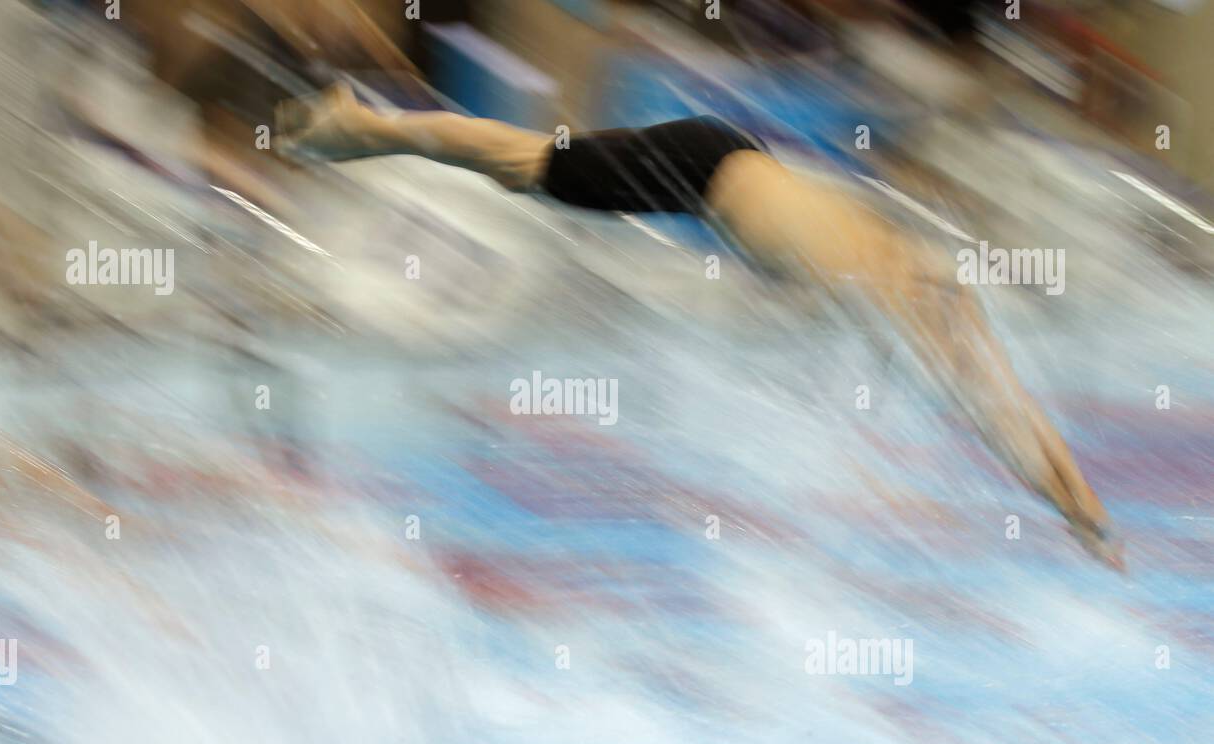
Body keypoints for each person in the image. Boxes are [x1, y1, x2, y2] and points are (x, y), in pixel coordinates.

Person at [276, 82, 1123, 569]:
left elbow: (1017, 421)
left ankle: (369, 126)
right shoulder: (917, 304)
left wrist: (1082, 511)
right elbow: (1005, 422)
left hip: (727, 159)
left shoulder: (927, 285)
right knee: (517, 164)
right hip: (700, 175)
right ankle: (363, 128)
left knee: (520, 162)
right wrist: (1079, 517)